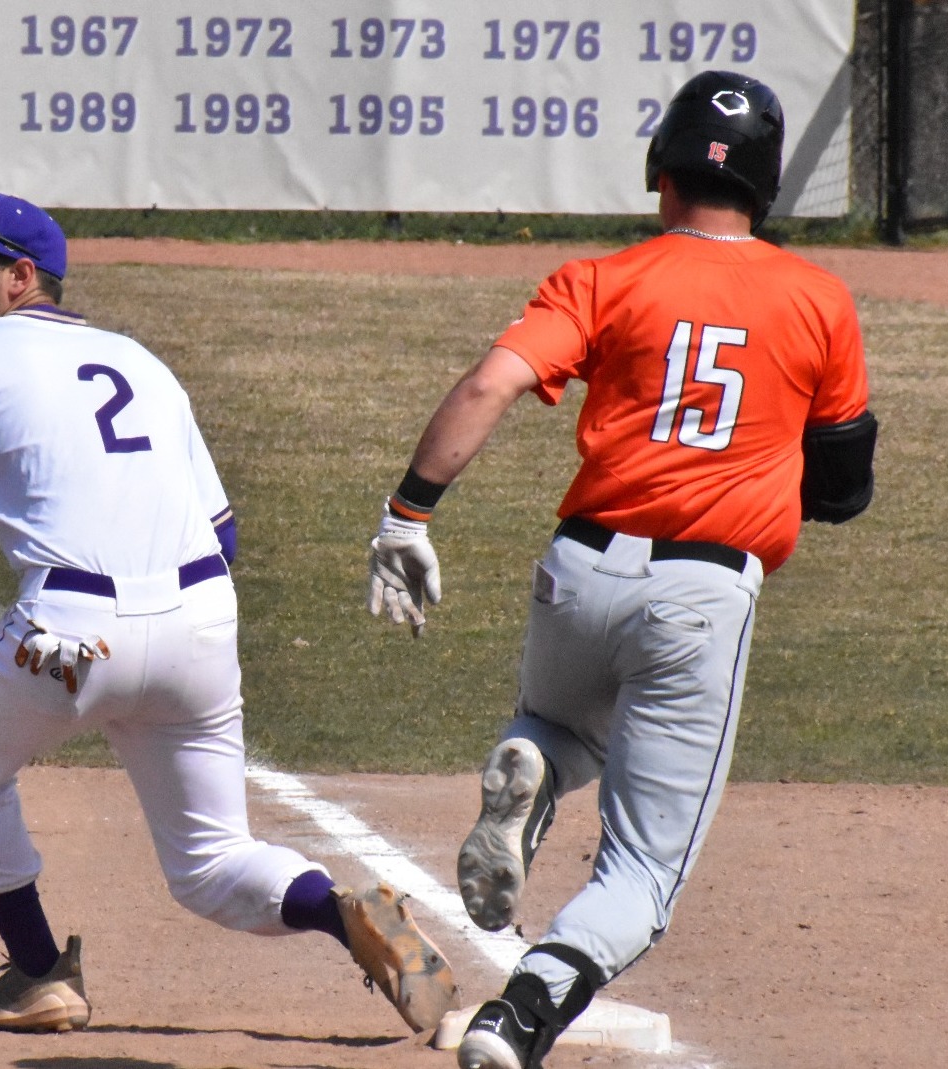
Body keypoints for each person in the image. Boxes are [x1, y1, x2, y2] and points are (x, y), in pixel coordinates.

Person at [0, 191, 460, 1033]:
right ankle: (339, 912)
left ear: (18, 278)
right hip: (200, 626)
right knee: (211, 863)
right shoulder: (140, 361)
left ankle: (39, 970)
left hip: (74, 635)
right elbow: (221, 536)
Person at [364, 71, 877, 1069]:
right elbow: (845, 483)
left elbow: (490, 383)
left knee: (561, 725)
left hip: (580, 572)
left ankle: (538, 765)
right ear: (767, 185)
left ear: (662, 168)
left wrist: (408, 514)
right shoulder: (817, 297)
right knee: (642, 871)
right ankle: (519, 1018)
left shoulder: (600, 279)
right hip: (701, 593)